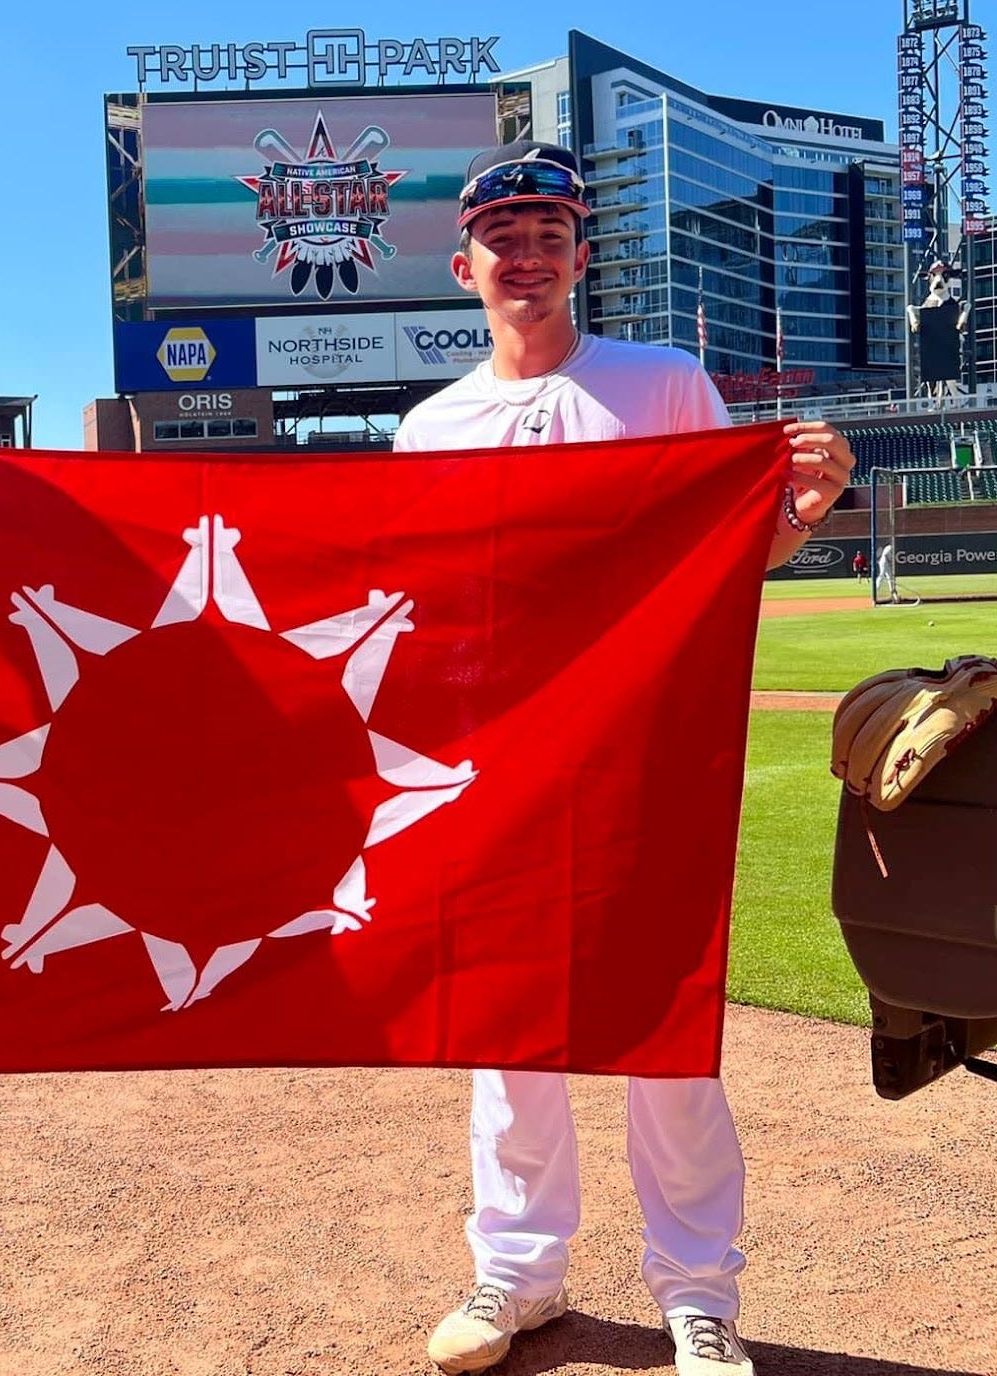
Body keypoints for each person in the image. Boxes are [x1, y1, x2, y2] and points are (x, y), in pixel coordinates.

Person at [393, 142, 855, 1376]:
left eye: (548, 230)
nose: (526, 252)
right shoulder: (429, 427)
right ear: (465, 265)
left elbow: (724, 560)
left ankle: (697, 1289)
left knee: (662, 1022)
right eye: (503, 234)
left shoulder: (659, 383)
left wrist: (801, 507)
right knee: (503, 1025)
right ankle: (517, 1270)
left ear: (581, 255)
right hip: (490, 760)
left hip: (642, 746)